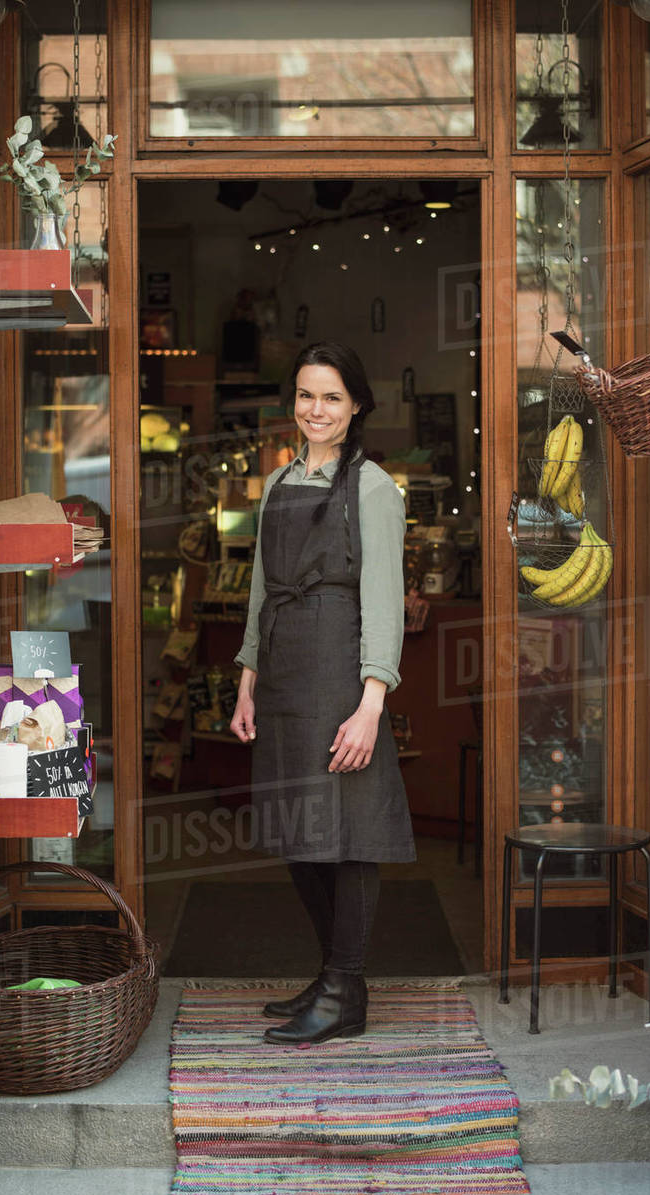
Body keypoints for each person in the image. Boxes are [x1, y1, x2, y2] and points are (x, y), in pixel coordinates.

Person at [231, 341, 416, 1046]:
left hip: (341, 673)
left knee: (347, 832)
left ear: (356, 404)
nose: (317, 409)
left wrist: (370, 704)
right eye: (307, 395)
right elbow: (260, 591)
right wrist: (247, 681)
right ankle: (335, 977)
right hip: (283, 671)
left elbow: (384, 603)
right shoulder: (278, 482)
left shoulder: (372, 487)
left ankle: (345, 987)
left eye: (332, 397)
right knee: (298, 829)